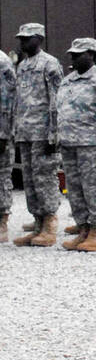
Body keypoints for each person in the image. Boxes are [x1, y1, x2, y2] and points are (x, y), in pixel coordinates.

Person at [57, 39, 96, 253]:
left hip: (93, 144)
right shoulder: (68, 81)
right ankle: (83, 229)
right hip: (69, 144)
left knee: (95, 188)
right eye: (72, 55)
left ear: (92, 55)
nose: (73, 58)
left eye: (79, 54)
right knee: (75, 190)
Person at [12, 24, 63, 248]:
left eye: (26, 38)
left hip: (43, 133)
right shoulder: (22, 65)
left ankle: (49, 226)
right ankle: (37, 224)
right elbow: (18, 101)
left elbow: (57, 101)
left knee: (44, 178)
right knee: (30, 181)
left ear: (39, 39)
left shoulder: (50, 64)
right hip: (25, 132)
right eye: (20, 38)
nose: (22, 42)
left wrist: (54, 134)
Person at [0, 48, 16, 243]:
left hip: (0, 130)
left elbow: (7, 101)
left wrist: (3, 133)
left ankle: (1, 222)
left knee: (1, 176)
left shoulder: (2, 62)